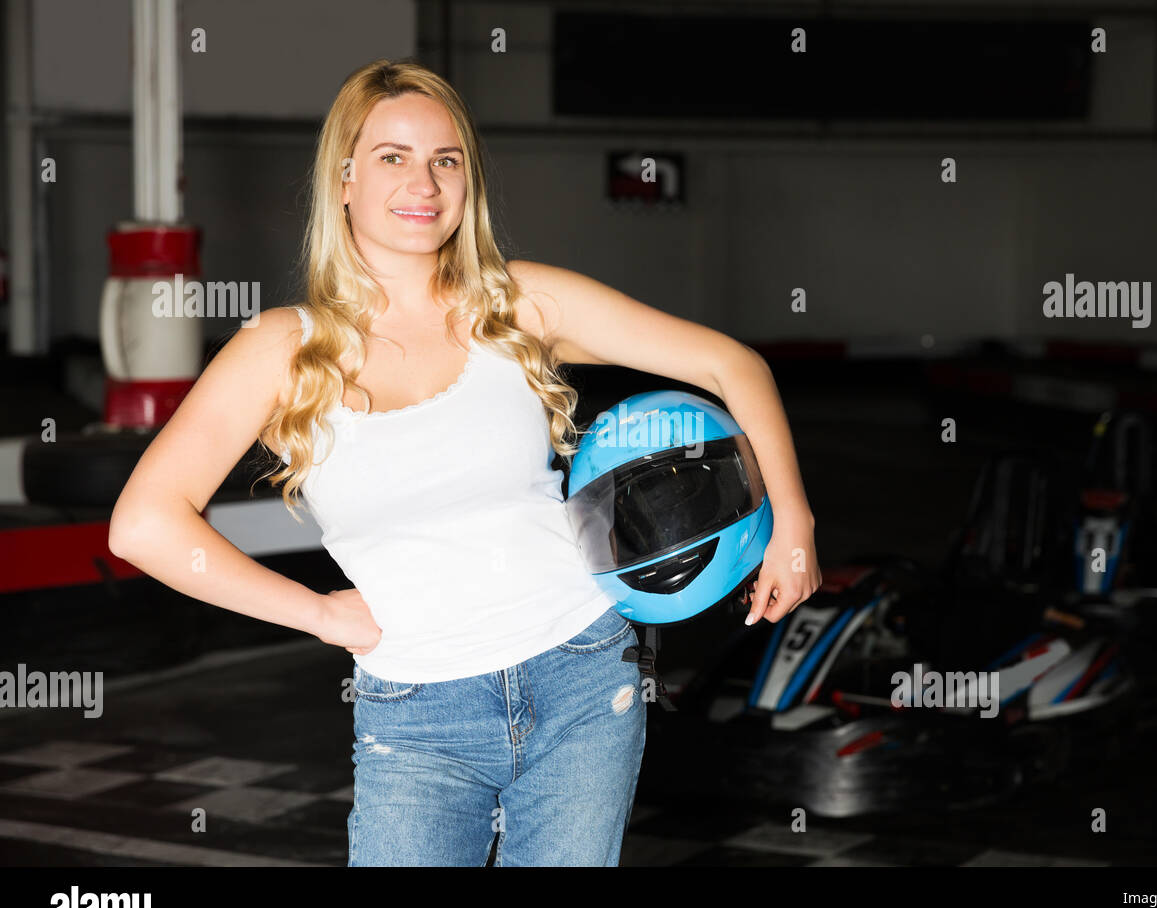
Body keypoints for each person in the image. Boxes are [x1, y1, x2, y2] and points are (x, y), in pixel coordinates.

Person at [108, 58, 822, 866]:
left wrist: (790, 522)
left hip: (583, 675)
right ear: (343, 179)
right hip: (416, 713)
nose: (424, 182)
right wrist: (316, 613)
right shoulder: (281, 348)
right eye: (393, 157)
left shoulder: (518, 302)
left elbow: (735, 366)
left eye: (446, 160)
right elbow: (143, 524)